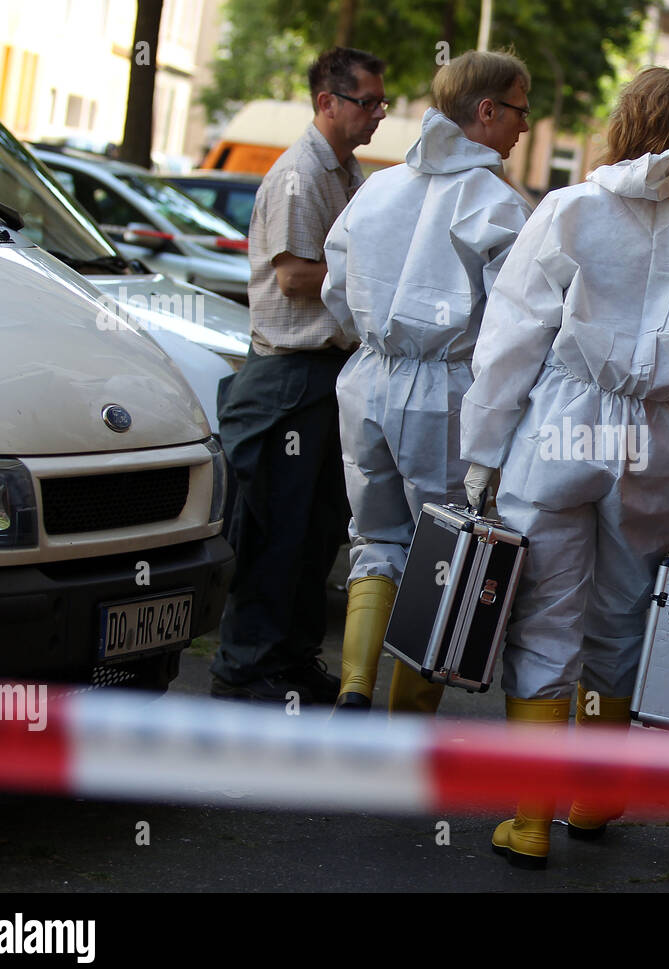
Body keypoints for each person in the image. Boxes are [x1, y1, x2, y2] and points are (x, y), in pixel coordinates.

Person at [459, 67, 669, 868]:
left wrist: (481, 452)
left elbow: (511, 336)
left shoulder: (568, 210)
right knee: (622, 619)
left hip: (561, 425)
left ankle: (528, 818)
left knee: (543, 618)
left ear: (622, 124)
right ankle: (593, 794)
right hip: (652, 443)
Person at [322, 50, 533, 713]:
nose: (526, 127)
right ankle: (407, 721)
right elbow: (514, 324)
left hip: (368, 379)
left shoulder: (380, 188)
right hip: (446, 390)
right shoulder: (497, 203)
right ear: (487, 110)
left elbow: (334, 288)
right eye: (521, 110)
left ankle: (354, 681)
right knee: (447, 546)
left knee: (375, 534)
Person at [210, 46, 386, 703]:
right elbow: (295, 275)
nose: (377, 114)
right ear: (327, 102)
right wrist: (374, 281)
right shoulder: (299, 175)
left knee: (316, 531)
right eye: (366, 101)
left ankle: (288, 658)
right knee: (275, 529)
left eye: (380, 102)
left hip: (326, 372)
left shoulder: (346, 172)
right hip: (290, 372)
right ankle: (242, 669)